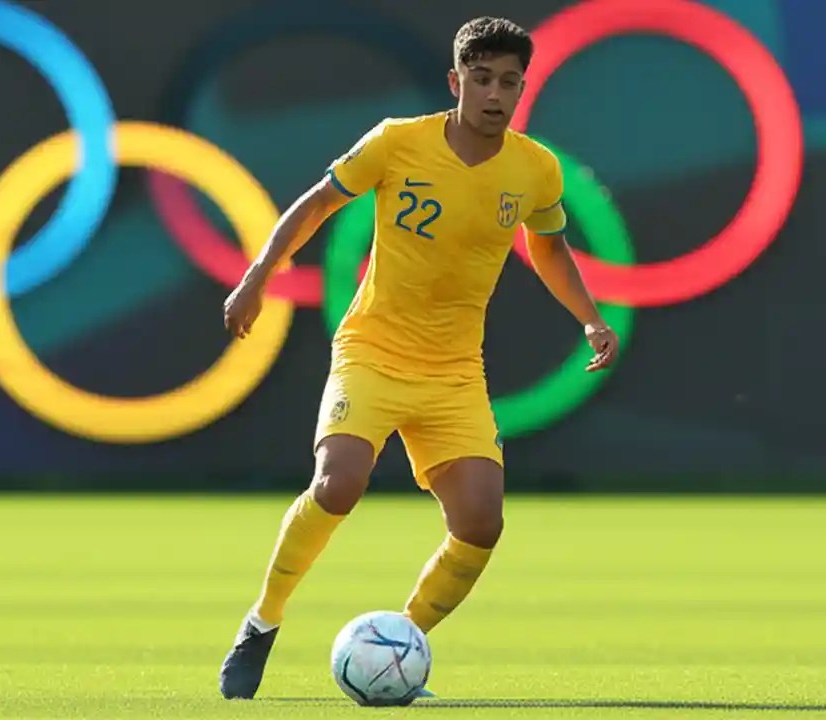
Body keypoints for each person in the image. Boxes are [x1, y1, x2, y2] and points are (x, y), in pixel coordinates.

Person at [218, 16, 620, 701]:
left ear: (523, 88)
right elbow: (317, 205)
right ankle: (261, 623)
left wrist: (589, 319)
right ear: (455, 81)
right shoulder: (397, 142)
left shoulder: (535, 168)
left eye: (509, 82)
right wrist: (259, 274)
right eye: (483, 78)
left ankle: (396, 648)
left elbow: (548, 249)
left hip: (455, 372)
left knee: (481, 525)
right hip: (373, 350)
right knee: (337, 485)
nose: (495, 94)